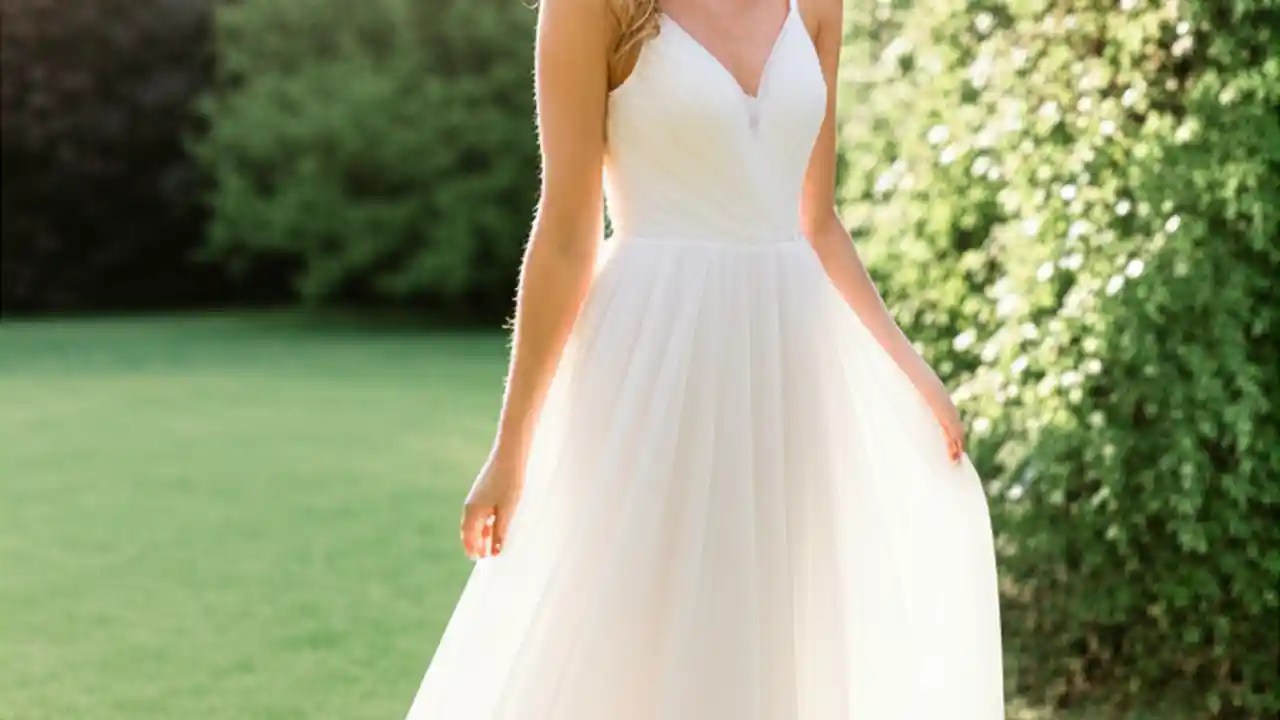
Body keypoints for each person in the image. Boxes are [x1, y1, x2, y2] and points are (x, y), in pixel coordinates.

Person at [405, 0, 1004, 716]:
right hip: (650, 362)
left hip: (791, 363)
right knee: (635, 633)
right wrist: (512, 448)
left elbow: (816, 221)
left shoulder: (816, 5)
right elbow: (565, 232)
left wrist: (911, 368)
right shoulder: (591, 7)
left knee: (778, 628)